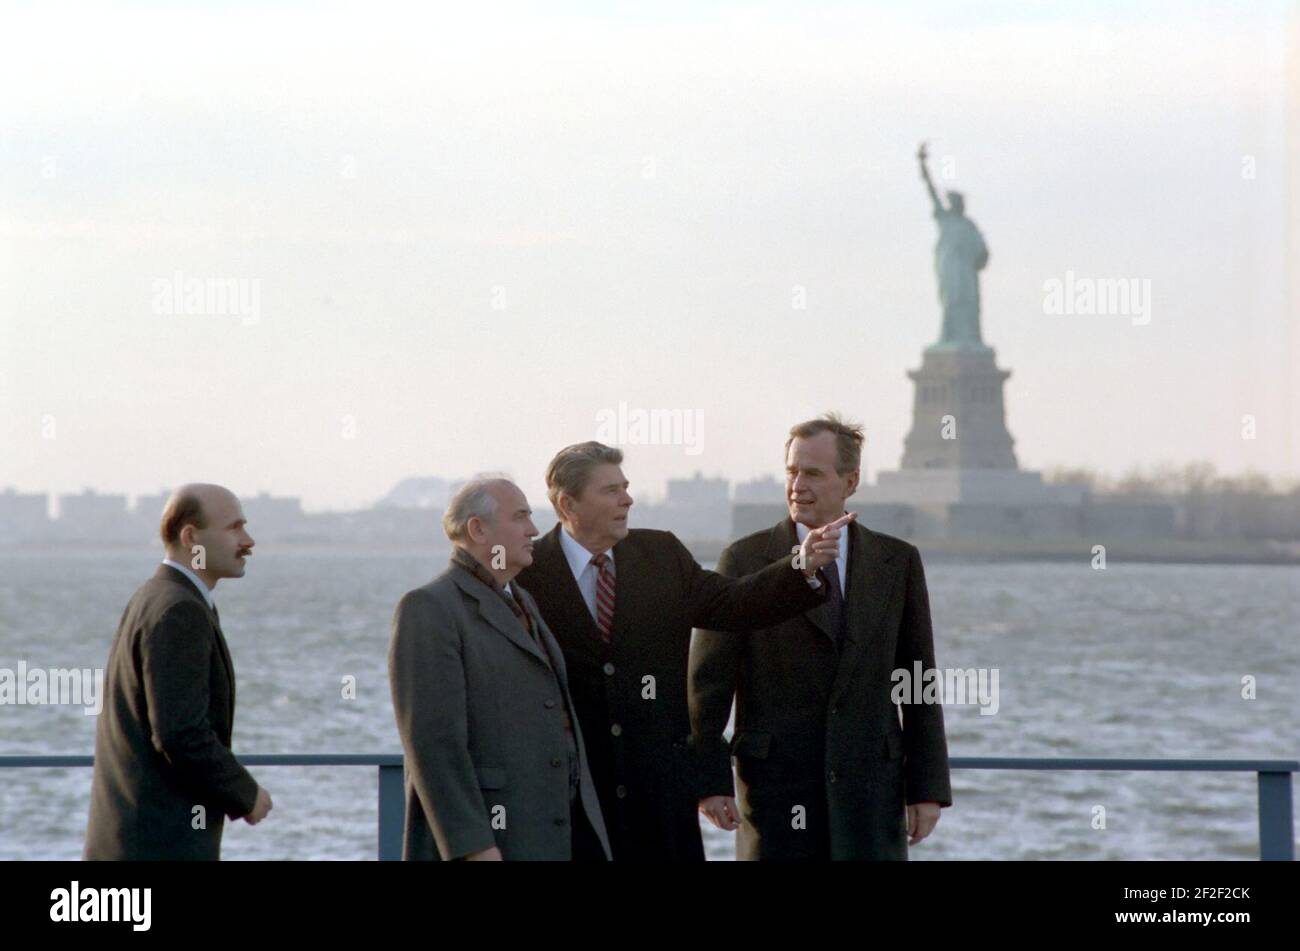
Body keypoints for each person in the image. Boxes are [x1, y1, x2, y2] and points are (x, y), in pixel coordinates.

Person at [516, 441, 850, 860]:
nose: (628, 499)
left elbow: (735, 603)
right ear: (568, 503)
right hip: (572, 802)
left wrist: (800, 566)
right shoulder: (526, 573)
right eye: (610, 491)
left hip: (660, 803)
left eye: (626, 486)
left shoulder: (661, 555)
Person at [690, 414, 952, 859]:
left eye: (812, 473)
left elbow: (917, 679)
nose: (797, 485)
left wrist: (926, 787)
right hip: (774, 798)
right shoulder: (745, 558)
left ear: (850, 481)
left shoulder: (898, 561)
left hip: (871, 797)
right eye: (791, 472)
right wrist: (709, 782)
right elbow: (707, 684)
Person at [389, 476, 610, 860]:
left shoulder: (523, 602)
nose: (534, 530)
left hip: (556, 836)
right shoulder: (430, 608)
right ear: (478, 528)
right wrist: (473, 847)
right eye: (520, 517)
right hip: (495, 841)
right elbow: (433, 744)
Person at [84, 484, 271, 860]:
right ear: (191, 537)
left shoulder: (154, 597)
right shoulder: (179, 611)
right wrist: (245, 793)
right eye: (234, 528)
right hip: (158, 847)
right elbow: (179, 732)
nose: (248, 541)